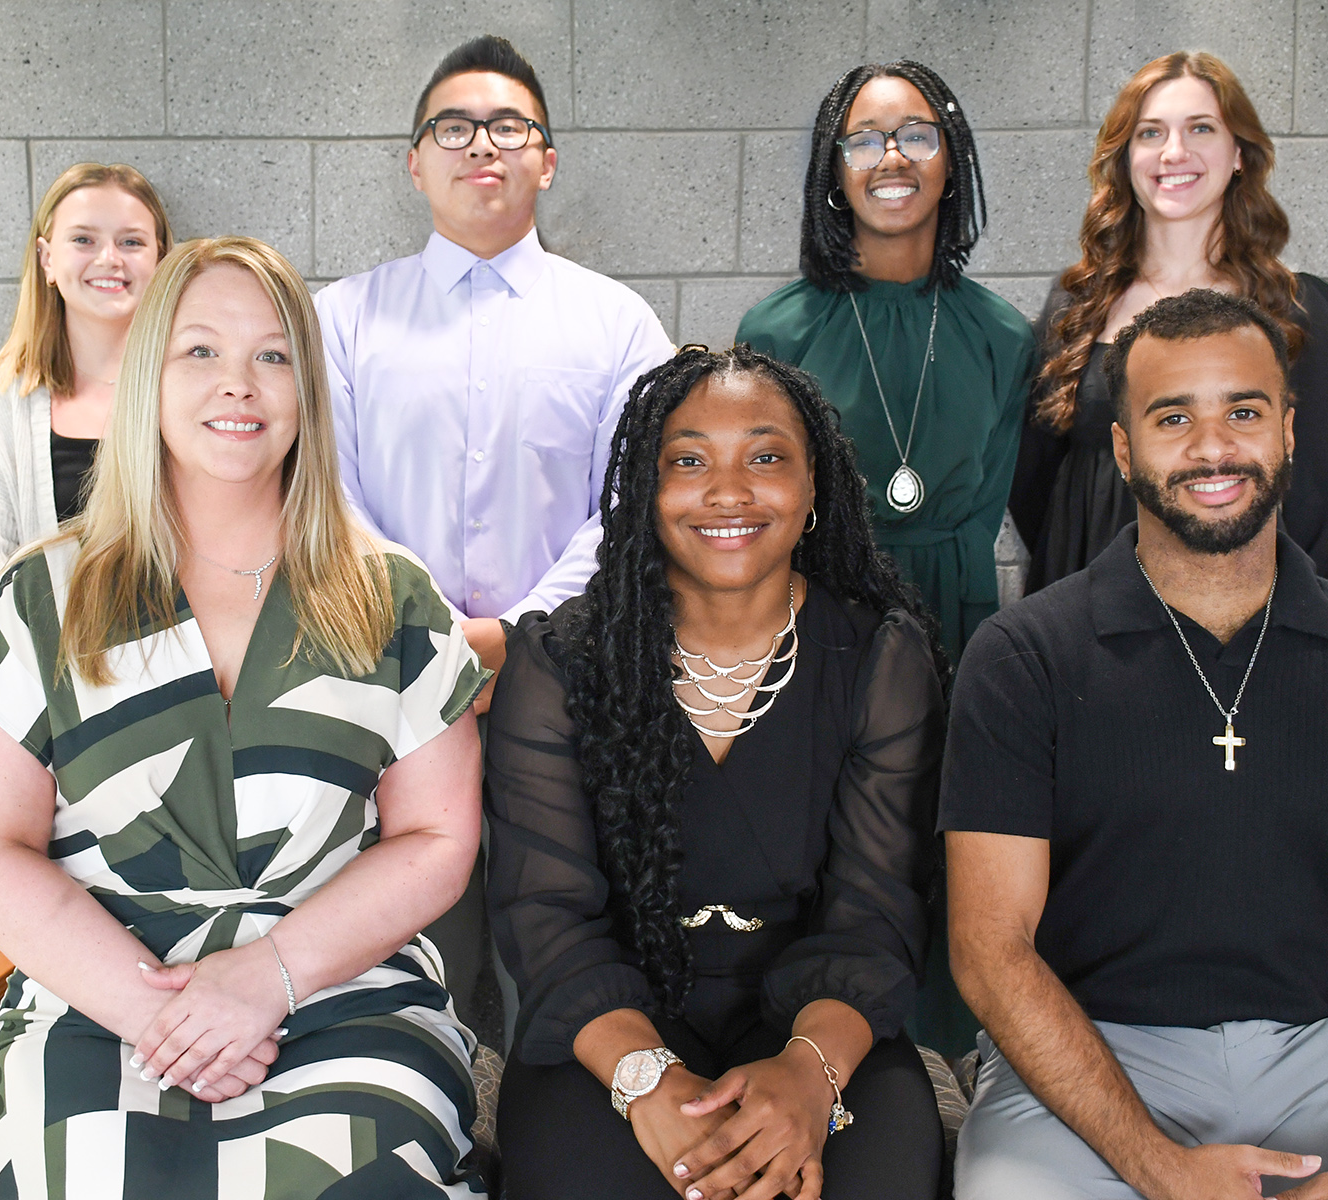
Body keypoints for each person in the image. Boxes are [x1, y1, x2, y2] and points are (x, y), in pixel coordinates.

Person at [942, 290, 1328, 1200]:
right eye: (1172, 417)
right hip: (1088, 1053)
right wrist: (1160, 1170)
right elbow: (990, 950)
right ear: (1123, 449)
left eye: (1243, 412)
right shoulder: (1022, 658)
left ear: (1289, 432)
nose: (1213, 447)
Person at [0, 237, 489, 1196]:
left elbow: (437, 838)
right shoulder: (38, 599)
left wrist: (268, 975)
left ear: (307, 390)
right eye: (200, 351)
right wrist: (157, 1014)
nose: (240, 382)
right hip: (99, 1002)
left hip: (341, 993)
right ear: (147, 375)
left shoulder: (393, 598)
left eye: (273, 355)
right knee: (86, 1177)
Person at [485, 345, 946, 1200]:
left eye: (765, 459)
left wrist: (808, 1078)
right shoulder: (558, 664)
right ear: (644, 490)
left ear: (814, 487)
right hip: (607, 1032)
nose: (729, 492)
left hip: (820, 1027)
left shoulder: (880, 659)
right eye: (688, 462)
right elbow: (545, 914)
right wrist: (648, 1083)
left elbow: (875, 913)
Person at [316, 35, 673, 1030]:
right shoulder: (340, 318)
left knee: (557, 962)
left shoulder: (617, 324)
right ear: (414, 162)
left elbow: (636, 506)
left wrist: (516, 634)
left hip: (566, 685)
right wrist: (430, 631)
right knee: (404, 969)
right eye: (455, 127)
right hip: (385, 683)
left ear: (546, 160)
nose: (483, 145)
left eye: (510, 127)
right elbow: (324, 496)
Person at [1006, 51, 1328, 595]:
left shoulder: (1294, 309)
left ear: (1239, 153)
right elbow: (1035, 485)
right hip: (1088, 610)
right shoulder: (1077, 307)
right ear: (1125, 157)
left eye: (1200, 128)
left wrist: (1275, 621)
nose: (1174, 152)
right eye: (1151, 133)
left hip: (1241, 625)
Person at [736, 61, 1032, 665]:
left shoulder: (1002, 335)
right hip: (818, 617)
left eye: (917, 137)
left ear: (950, 164)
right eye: (865, 142)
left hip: (957, 615)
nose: (892, 158)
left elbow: (986, 511)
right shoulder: (777, 332)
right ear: (835, 173)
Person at [0, 162, 174, 605]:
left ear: (161, 260)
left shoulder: (195, 384)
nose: (109, 258)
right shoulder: (3, 392)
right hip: (38, 647)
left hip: (183, 644)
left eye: (131, 242)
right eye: (84, 240)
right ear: (47, 259)